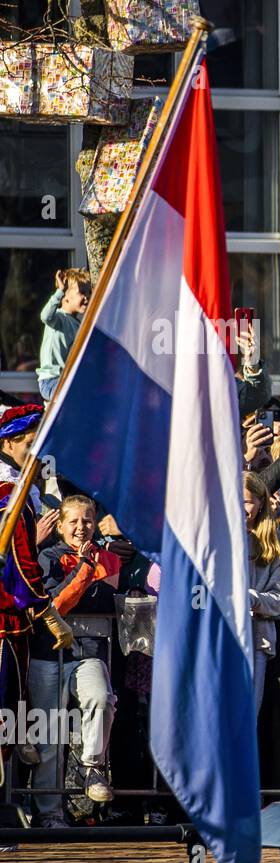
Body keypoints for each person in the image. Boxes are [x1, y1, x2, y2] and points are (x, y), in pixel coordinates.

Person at [27, 495, 120, 825]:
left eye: (88, 521)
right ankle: (49, 814)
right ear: (60, 526)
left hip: (89, 652)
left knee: (101, 696)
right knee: (49, 736)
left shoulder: (107, 559)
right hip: (46, 654)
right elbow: (56, 605)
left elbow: (105, 599)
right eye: (74, 521)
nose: (82, 527)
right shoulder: (46, 556)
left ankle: (93, 768)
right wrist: (83, 570)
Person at [0, 404, 73, 775]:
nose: (36, 451)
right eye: (29, 443)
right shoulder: (7, 491)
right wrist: (46, 609)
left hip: (11, 618)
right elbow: (19, 555)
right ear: (8, 444)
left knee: (11, 715)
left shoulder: (23, 488)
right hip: (3, 621)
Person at [244, 472, 280, 712]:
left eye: (247, 501)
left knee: (247, 717)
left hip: (256, 639)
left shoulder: (277, 541)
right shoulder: (216, 537)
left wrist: (252, 599)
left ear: (261, 502)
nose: (240, 508)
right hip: (219, 639)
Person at [36, 268, 90, 401]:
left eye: (89, 293)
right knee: (74, 396)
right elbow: (45, 316)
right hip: (51, 381)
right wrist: (59, 291)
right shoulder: (58, 318)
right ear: (65, 297)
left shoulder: (78, 325)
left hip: (66, 380)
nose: (86, 297)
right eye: (82, 293)